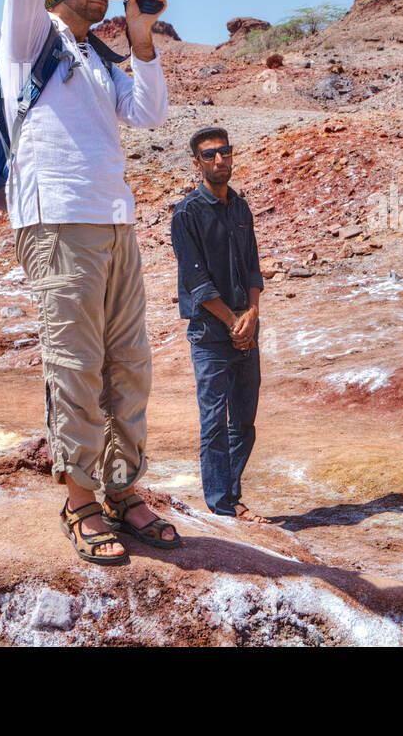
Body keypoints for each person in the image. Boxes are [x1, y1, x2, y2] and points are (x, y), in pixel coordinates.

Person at [1, 0, 180, 564]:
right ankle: (78, 498)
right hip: (56, 218)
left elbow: (150, 114)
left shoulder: (98, 56)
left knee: (129, 365)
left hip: (114, 219)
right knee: (75, 365)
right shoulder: (27, 38)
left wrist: (140, 38)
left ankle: (123, 489)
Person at [170, 127, 270, 523]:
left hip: (245, 328)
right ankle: (224, 505)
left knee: (244, 419)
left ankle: (230, 496)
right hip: (212, 334)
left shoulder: (241, 209)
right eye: (210, 155)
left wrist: (253, 313)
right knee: (214, 421)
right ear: (197, 162)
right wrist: (234, 322)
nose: (219, 161)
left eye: (224, 153)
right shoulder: (186, 213)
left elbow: (252, 267)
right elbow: (196, 280)